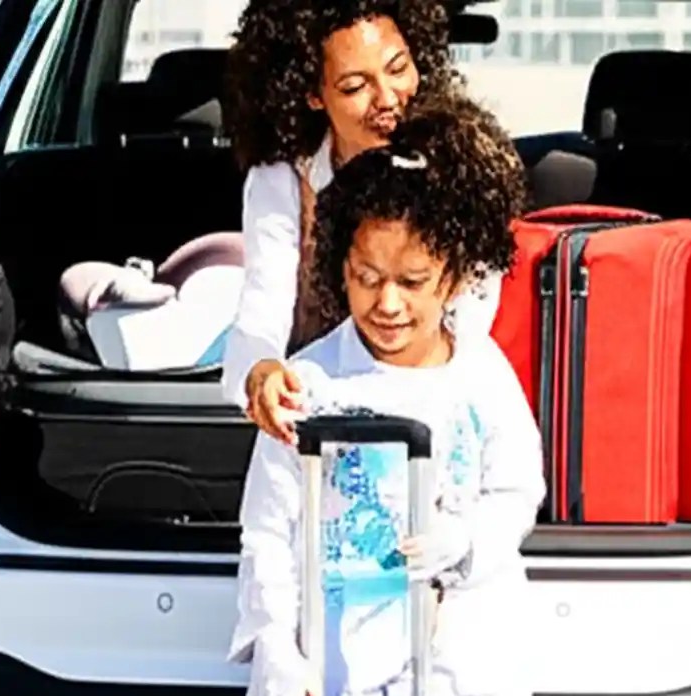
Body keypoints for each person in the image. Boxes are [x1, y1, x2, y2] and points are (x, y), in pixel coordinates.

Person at [228, 100, 541, 696]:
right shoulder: (311, 382)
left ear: (453, 278)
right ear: (340, 269)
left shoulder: (481, 375)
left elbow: (517, 488)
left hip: (469, 678)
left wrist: (465, 541)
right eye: (366, 278)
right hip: (345, 681)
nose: (388, 304)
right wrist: (275, 648)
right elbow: (267, 533)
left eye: (413, 281)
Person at [218, 0, 517, 440]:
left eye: (398, 68)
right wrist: (261, 372)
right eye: (355, 86)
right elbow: (262, 310)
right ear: (312, 94)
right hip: (317, 419)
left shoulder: (462, 172)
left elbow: (467, 330)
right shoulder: (282, 181)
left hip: (439, 419)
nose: (388, 99)